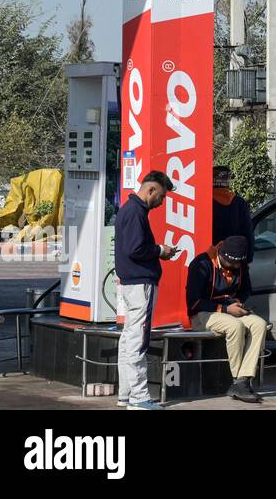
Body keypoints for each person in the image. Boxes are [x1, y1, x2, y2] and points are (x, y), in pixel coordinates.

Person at [114, 170, 177, 411]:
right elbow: (136, 249)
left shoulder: (128, 211)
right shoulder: (136, 213)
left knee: (128, 338)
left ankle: (126, 395)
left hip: (131, 283)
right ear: (150, 190)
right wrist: (160, 250)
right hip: (141, 284)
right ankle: (139, 398)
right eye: (160, 197)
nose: (161, 203)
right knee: (138, 340)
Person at [185, 234, 267, 404]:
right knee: (235, 326)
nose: (236, 267)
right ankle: (237, 379)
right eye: (233, 263)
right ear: (222, 256)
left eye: (239, 264)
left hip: (229, 310)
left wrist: (238, 302)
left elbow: (245, 290)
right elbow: (193, 302)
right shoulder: (201, 264)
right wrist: (224, 308)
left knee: (260, 324)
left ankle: (244, 379)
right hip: (202, 314)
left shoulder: (240, 265)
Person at [211, 165, 253, 262]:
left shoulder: (206, 202)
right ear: (228, 181)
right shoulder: (239, 203)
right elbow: (248, 233)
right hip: (235, 258)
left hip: (212, 258)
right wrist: (248, 258)